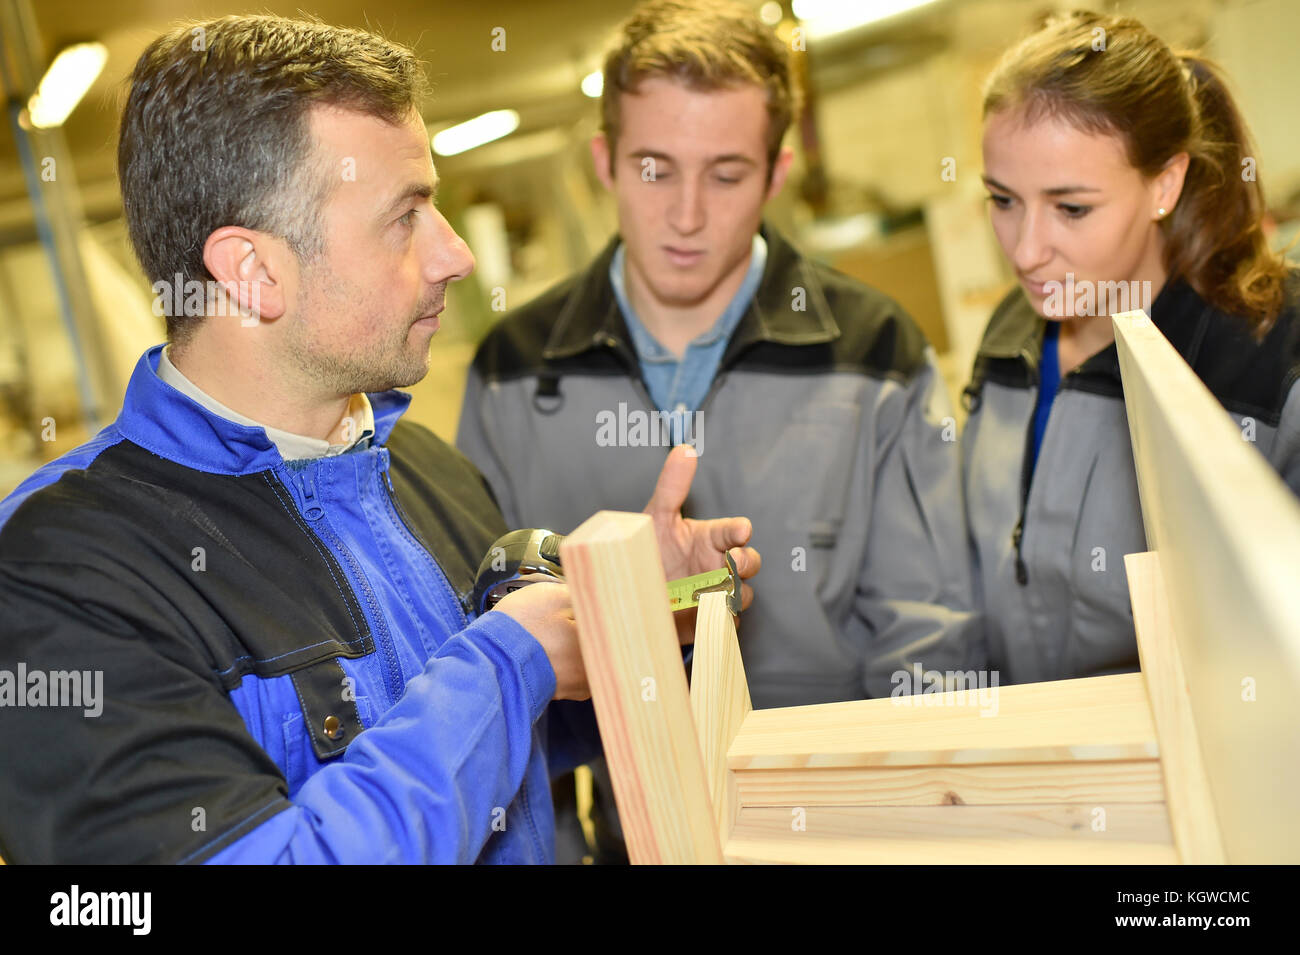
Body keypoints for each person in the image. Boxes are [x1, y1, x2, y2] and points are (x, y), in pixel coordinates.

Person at [0, 14, 756, 865]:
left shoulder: (422, 469)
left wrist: (628, 618)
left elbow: (519, 766)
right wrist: (509, 659)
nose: (456, 255)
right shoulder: (61, 571)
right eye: (406, 218)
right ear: (252, 271)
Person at [457, 0, 980, 860]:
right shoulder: (513, 366)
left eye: (727, 174)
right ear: (605, 162)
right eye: (656, 169)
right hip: (624, 835)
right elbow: (485, 626)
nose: (689, 215)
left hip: (844, 832)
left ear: (777, 174)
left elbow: (928, 639)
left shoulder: (877, 351)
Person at [963, 10, 1300, 686]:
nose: (1026, 252)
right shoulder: (1010, 329)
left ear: (1165, 184)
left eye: (1073, 208)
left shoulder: (1269, 350)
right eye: (1003, 200)